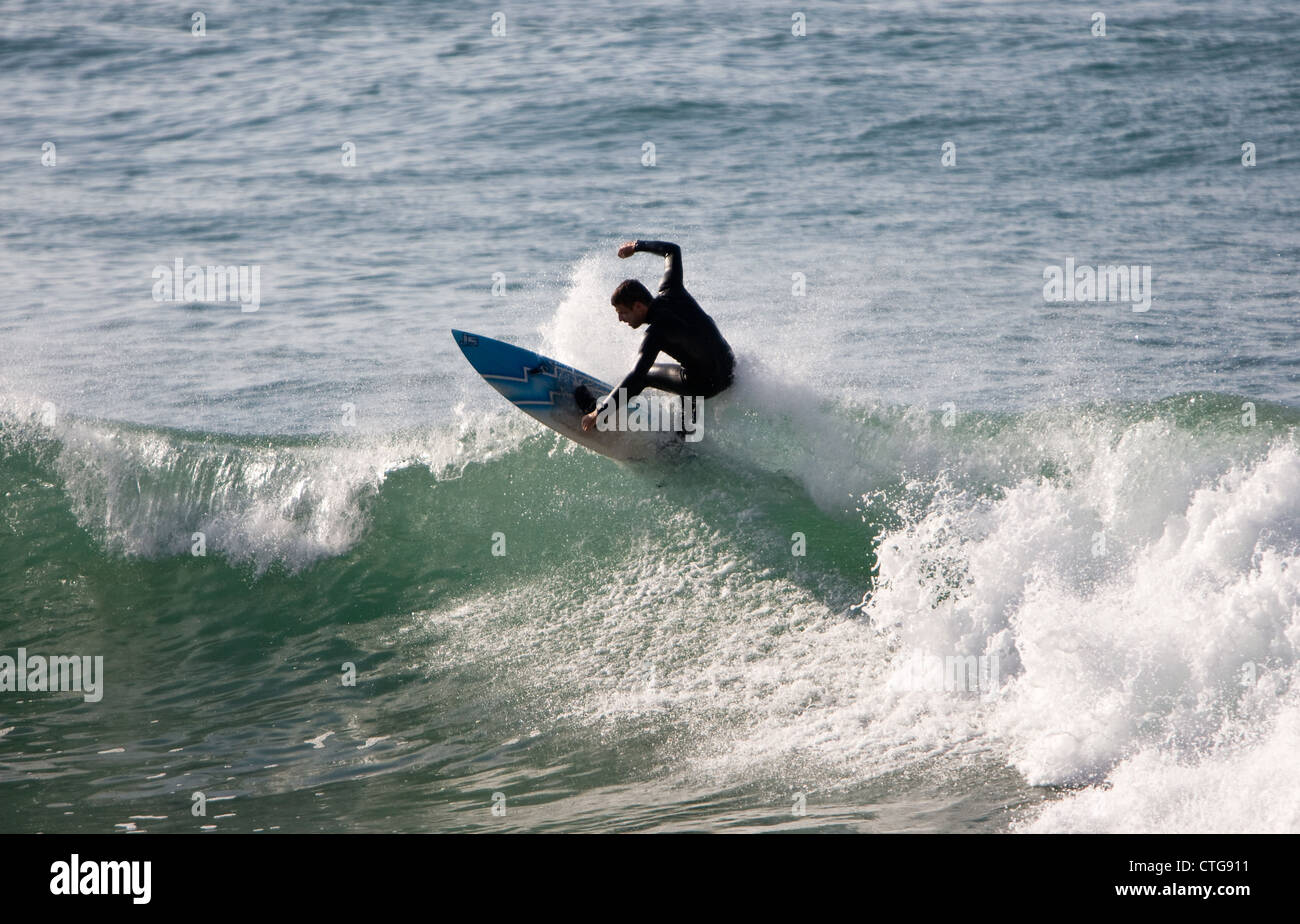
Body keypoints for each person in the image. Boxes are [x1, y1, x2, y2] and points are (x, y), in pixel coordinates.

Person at [579, 240, 735, 432]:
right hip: (730, 370)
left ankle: (599, 419)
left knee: (647, 375)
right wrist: (636, 246)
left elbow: (637, 376)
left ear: (638, 306)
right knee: (692, 368)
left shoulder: (656, 332)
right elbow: (672, 250)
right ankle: (688, 434)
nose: (620, 319)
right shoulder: (672, 290)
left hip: (708, 384)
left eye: (623, 312)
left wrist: (599, 412)